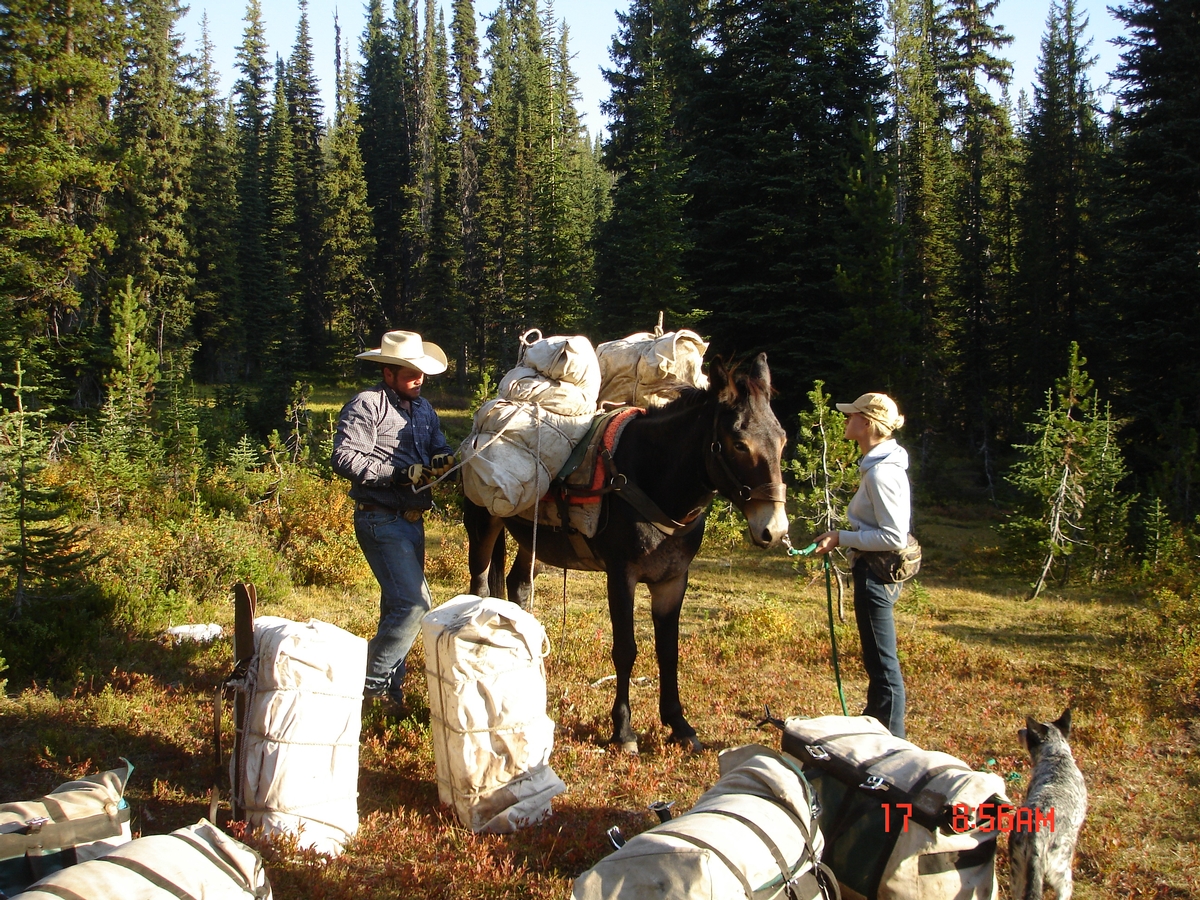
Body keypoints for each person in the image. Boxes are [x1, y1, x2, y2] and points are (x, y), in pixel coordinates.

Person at [332, 330, 455, 711]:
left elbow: (439, 444)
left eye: (421, 372)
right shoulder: (367, 405)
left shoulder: (424, 410)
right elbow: (344, 458)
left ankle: (391, 694)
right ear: (388, 372)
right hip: (380, 519)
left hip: (413, 522)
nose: (418, 378)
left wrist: (443, 459)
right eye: (409, 372)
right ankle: (369, 686)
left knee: (396, 608)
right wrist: (399, 474)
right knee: (415, 605)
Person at [813, 392, 911, 738]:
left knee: (883, 666)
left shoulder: (881, 473)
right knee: (876, 662)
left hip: (875, 576)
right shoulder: (878, 464)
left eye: (851, 415)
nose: (846, 420)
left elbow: (894, 537)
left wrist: (842, 537)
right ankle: (876, 725)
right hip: (875, 572)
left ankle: (894, 742)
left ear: (866, 423)